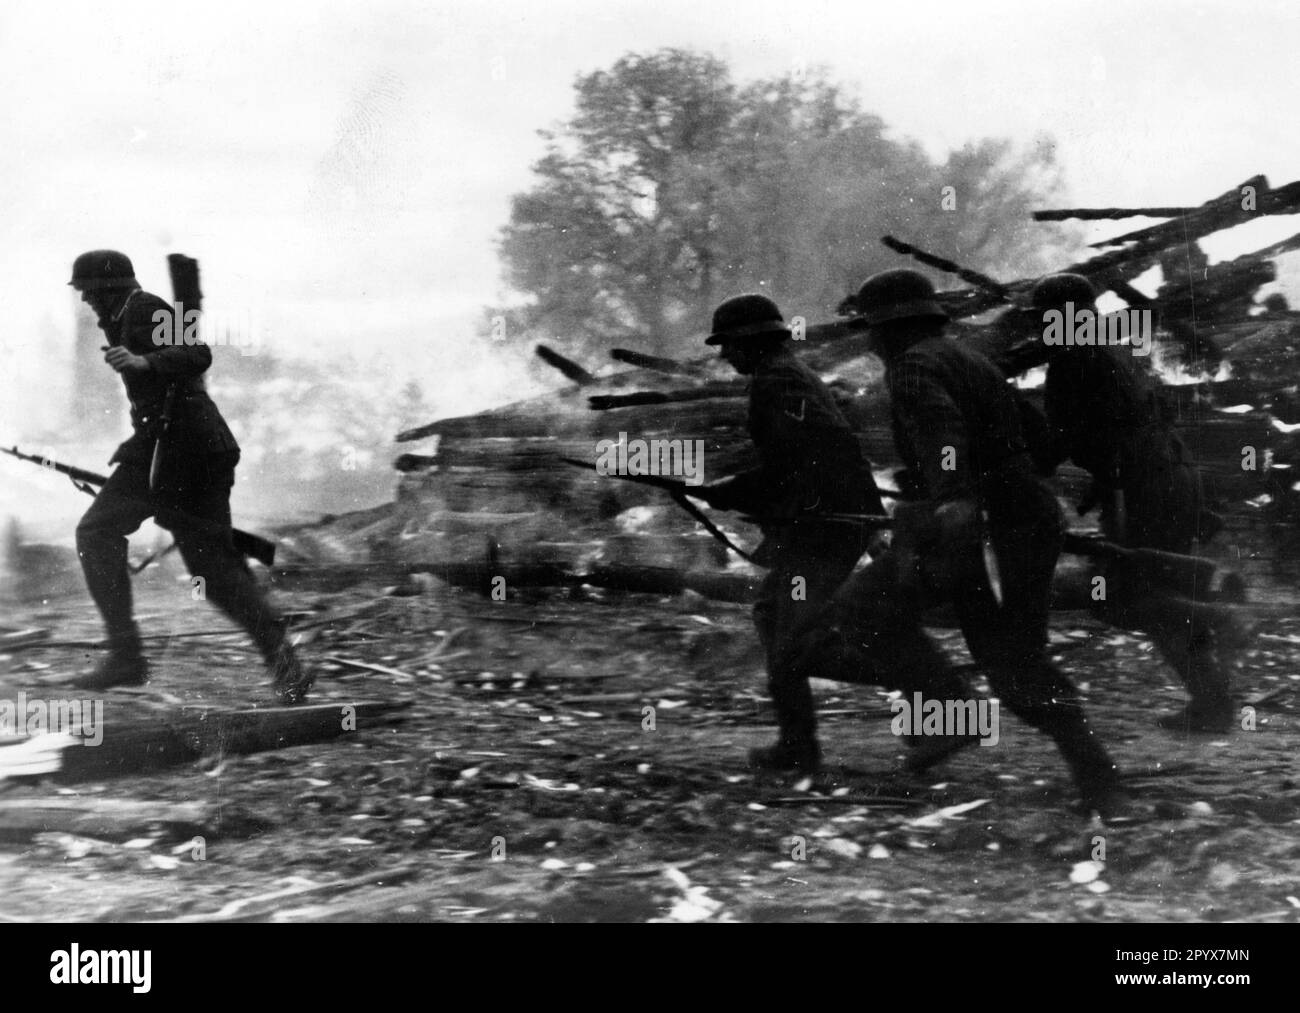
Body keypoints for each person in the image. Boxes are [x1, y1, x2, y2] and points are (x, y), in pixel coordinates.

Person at [846, 268, 1120, 812]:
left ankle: (1091, 778)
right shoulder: (968, 357)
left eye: (870, 331)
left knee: (873, 608)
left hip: (979, 522)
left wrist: (951, 495)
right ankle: (961, 721)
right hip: (1020, 511)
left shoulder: (912, 368)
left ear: (889, 329)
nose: (869, 342)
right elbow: (1034, 435)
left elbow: (943, 430)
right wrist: (999, 478)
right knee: (1010, 651)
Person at [67, 249, 312, 704]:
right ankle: (282, 664)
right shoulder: (123, 314)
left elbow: (197, 353)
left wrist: (145, 363)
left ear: (107, 289)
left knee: (187, 562)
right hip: (169, 447)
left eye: (88, 293)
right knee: (204, 566)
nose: (85, 301)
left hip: (188, 450)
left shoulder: (145, 309)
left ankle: (128, 656)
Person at [1027, 273, 1241, 732]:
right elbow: (1148, 318)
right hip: (1170, 474)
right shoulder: (1103, 343)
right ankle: (1214, 701)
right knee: (1157, 589)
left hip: (1144, 485)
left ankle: (1224, 623)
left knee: (1133, 594)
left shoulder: (1071, 358)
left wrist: (1019, 465)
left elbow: (1061, 438)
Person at [699, 294, 885, 773]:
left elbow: (801, 462)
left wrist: (734, 489)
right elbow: (816, 455)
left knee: (791, 638)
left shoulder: (778, 381)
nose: (725, 356)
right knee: (771, 616)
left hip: (826, 529)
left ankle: (924, 680)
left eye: (730, 345)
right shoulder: (784, 376)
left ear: (752, 342)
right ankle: (797, 743)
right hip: (827, 524)